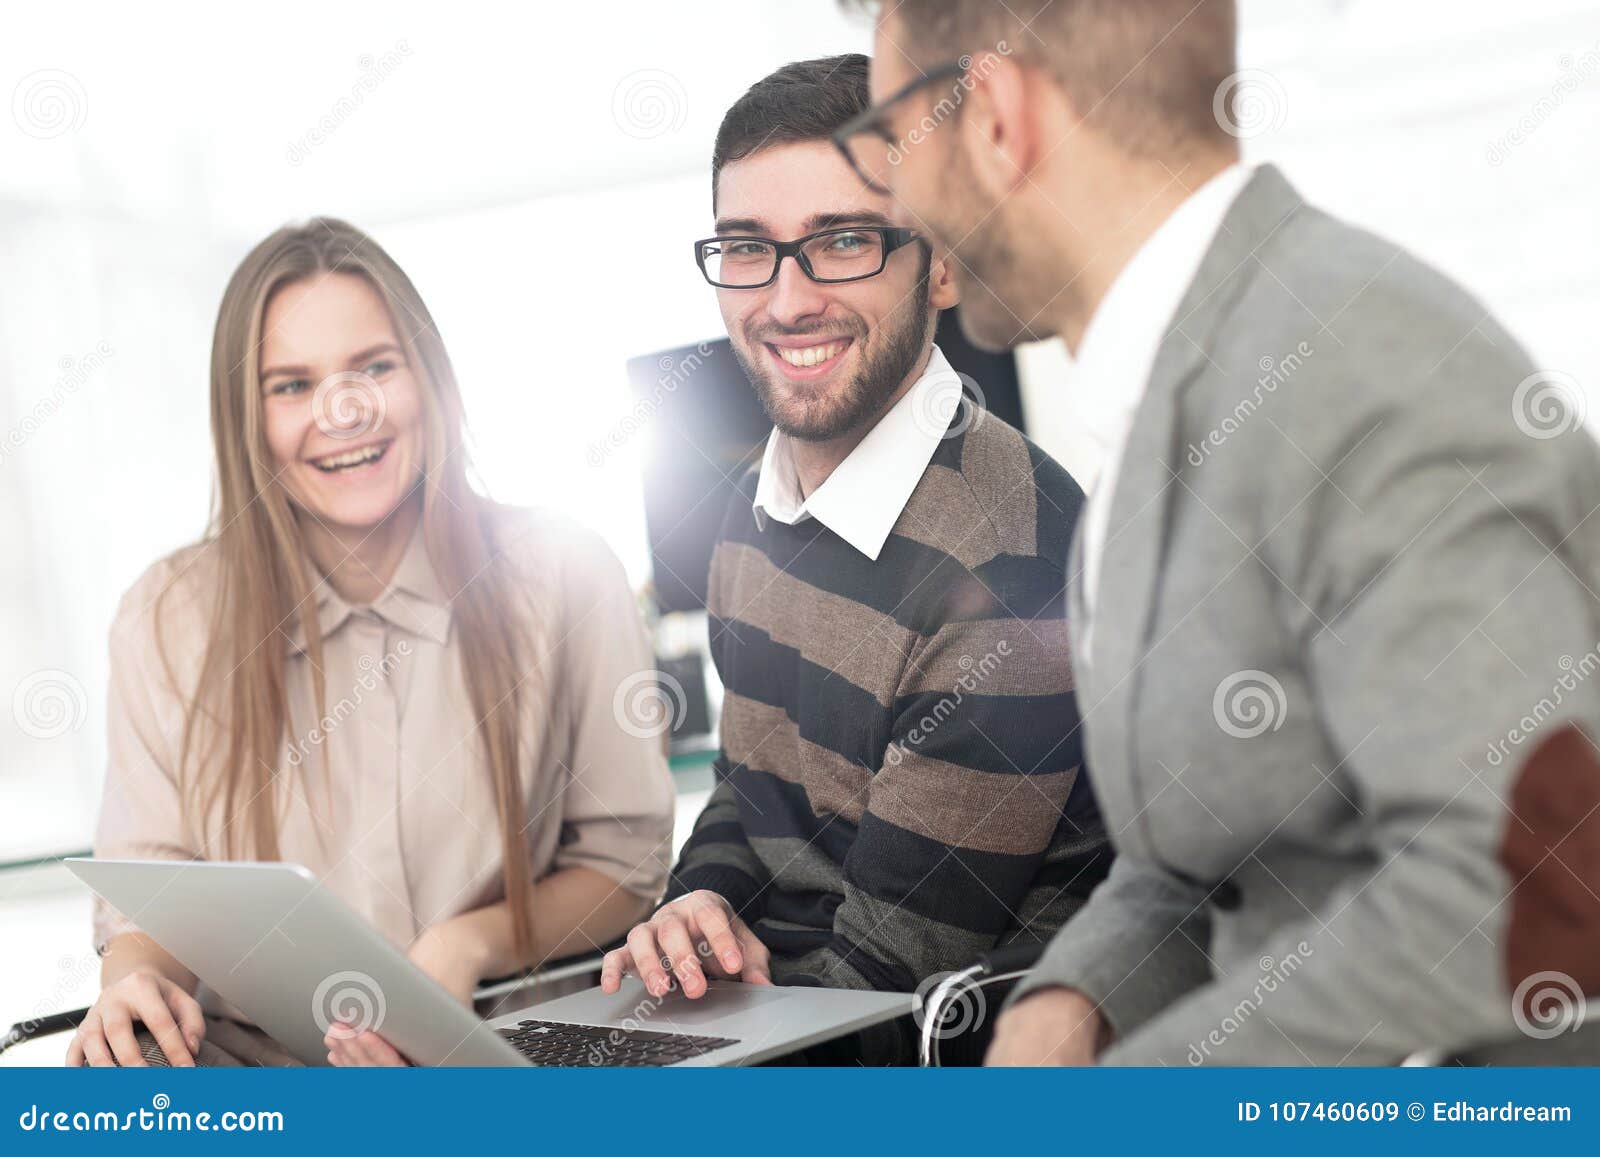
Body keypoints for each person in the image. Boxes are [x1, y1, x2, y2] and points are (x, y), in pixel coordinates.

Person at [840, 0, 1600, 1064]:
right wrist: (1073, 999)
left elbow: (1526, 890)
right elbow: (1214, 855)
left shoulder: (1364, 375)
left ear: (998, 118)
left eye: (893, 140)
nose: (901, 193)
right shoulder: (1165, 399)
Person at [598, 54, 1108, 1065]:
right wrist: (696, 903)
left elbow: (881, 1006)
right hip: (771, 1029)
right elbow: (750, 792)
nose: (786, 301)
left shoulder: (1009, 575)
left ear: (944, 263)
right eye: (748, 248)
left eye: (842, 240)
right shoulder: (767, 498)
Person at [72, 219, 675, 1067]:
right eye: (291, 384)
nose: (343, 411)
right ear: (246, 417)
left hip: (489, 1065)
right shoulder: (166, 615)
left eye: (375, 367)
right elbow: (152, 896)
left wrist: (468, 945)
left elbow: (626, 863)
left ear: (427, 379)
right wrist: (130, 984)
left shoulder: (564, 569)